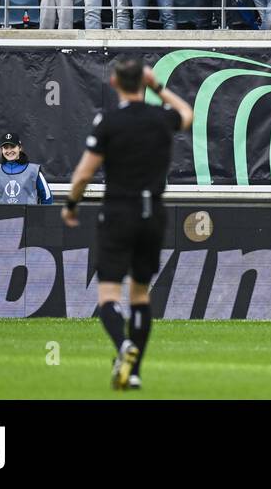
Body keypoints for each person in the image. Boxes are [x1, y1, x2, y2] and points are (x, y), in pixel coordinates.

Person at [63, 58, 194, 390]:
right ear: (143, 82)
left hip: (119, 212)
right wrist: (158, 88)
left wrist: (71, 205)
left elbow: (82, 175)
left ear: (114, 83)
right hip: (153, 214)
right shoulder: (160, 119)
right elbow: (188, 114)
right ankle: (134, 372)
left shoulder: (109, 121)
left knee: (108, 292)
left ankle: (123, 346)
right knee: (140, 294)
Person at [0, 131, 53, 204]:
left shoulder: (33, 171)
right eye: (6, 148)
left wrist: (38, 215)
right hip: (3, 215)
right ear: (2, 150)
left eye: (12, 147)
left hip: (28, 215)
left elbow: (47, 198)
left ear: (20, 148)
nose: (9, 151)